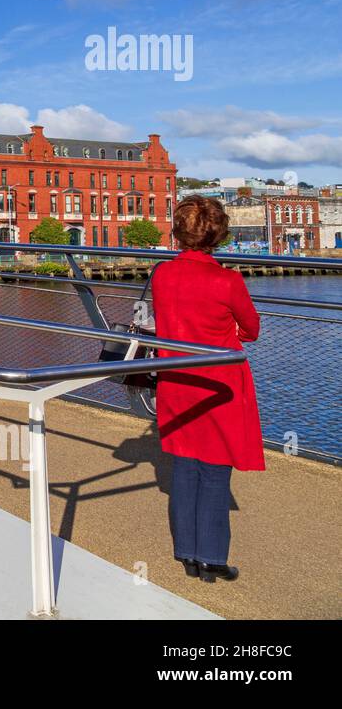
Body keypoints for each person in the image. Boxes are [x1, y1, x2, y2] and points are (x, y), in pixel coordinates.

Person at [151, 195, 262, 584]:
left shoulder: (161, 274)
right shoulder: (227, 280)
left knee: (184, 464)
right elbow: (251, 328)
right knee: (215, 470)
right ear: (218, 235)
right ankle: (212, 559)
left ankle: (187, 553)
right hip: (219, 383)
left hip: (176, 377)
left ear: (178, 233)